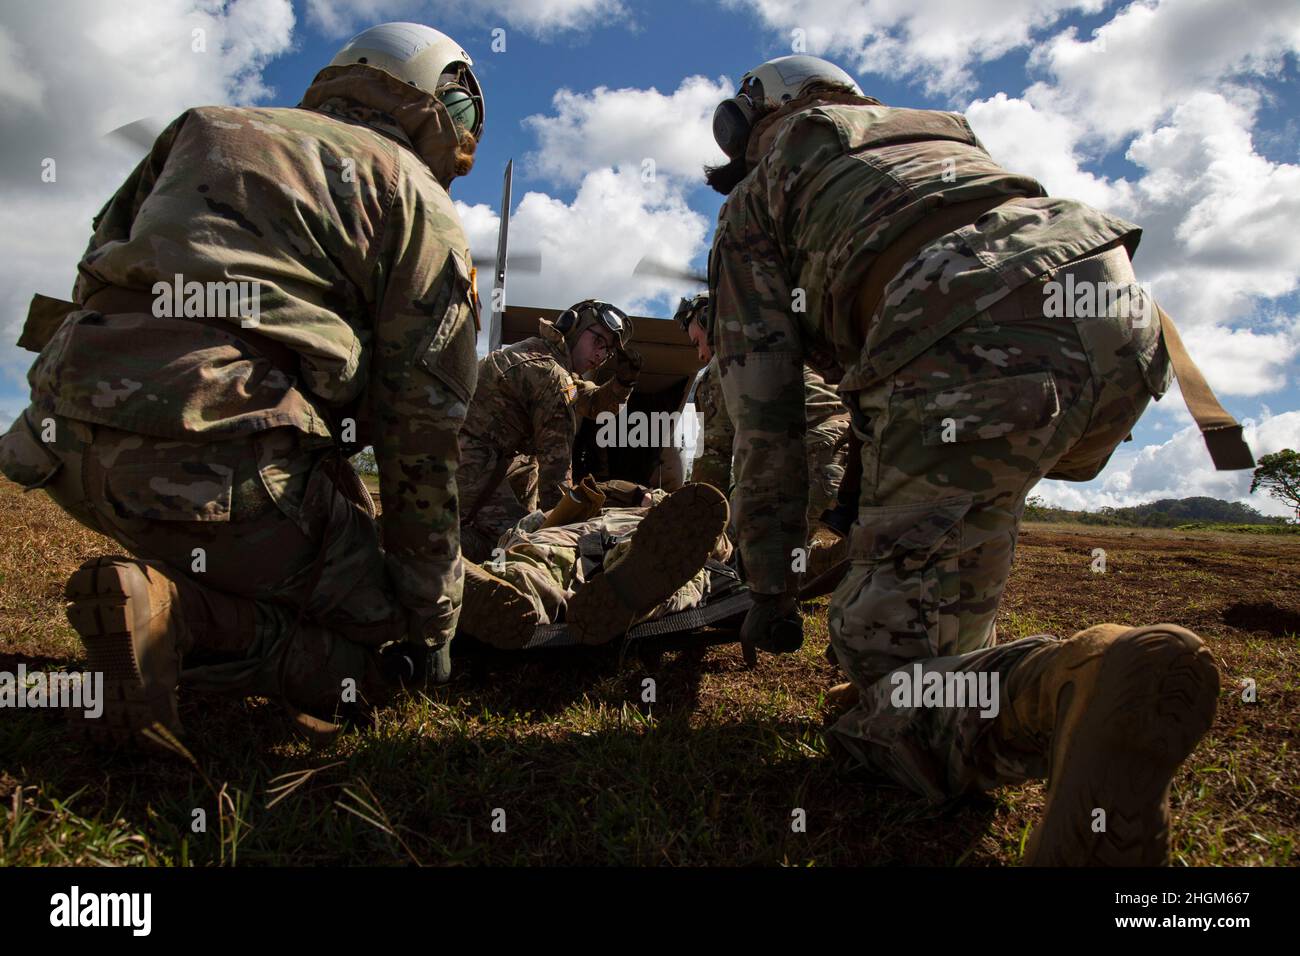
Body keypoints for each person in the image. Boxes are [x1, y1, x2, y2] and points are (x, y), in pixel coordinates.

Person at [705, 54, 1234, 864]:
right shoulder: (934, 139)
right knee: (949, 590)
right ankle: (1013, 679)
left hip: (969, 337)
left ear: (756, 120)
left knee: (878, 700)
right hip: (1120, 319)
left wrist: (770, 582)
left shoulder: (759, 194)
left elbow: (766, 415)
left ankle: (1064, 686)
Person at [0, 21, 486, 742]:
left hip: (62, 435)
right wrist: (429, 615)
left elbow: (94, 265)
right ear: (446, 100)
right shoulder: (416, 197)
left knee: (276, 537)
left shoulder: (205, 126)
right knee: (381, 649)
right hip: (218, 464)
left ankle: (175, 603)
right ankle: (182, 622)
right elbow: (423, 432)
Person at [458, 299, 642, 562]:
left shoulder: (545, 355)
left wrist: (624, 382)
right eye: (599, 342)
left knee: (525, 518)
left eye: (609, 351)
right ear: (573, 327)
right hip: (470, 460)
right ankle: (423, 550)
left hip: (482, 456)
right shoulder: (551, 374)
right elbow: (555, 473)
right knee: (516, 546)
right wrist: (566, 537)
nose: (602, 355)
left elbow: (594, 403)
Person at [457, 482, 731, 648]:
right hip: (580, 536)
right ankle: (497, 592)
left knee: (531, 561)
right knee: (530, 559)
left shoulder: (679, 515)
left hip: (608, 540)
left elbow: (708, 540)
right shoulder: (591, 505)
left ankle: (476, 584)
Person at [678, 292, 850, 531]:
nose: (700, 355)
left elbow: (713, 453)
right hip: (856, 465)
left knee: (760, 552)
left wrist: (697, 522)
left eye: (698, 342)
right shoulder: (796, 337)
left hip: (804, 469)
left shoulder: (728, 358)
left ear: (712, 321)